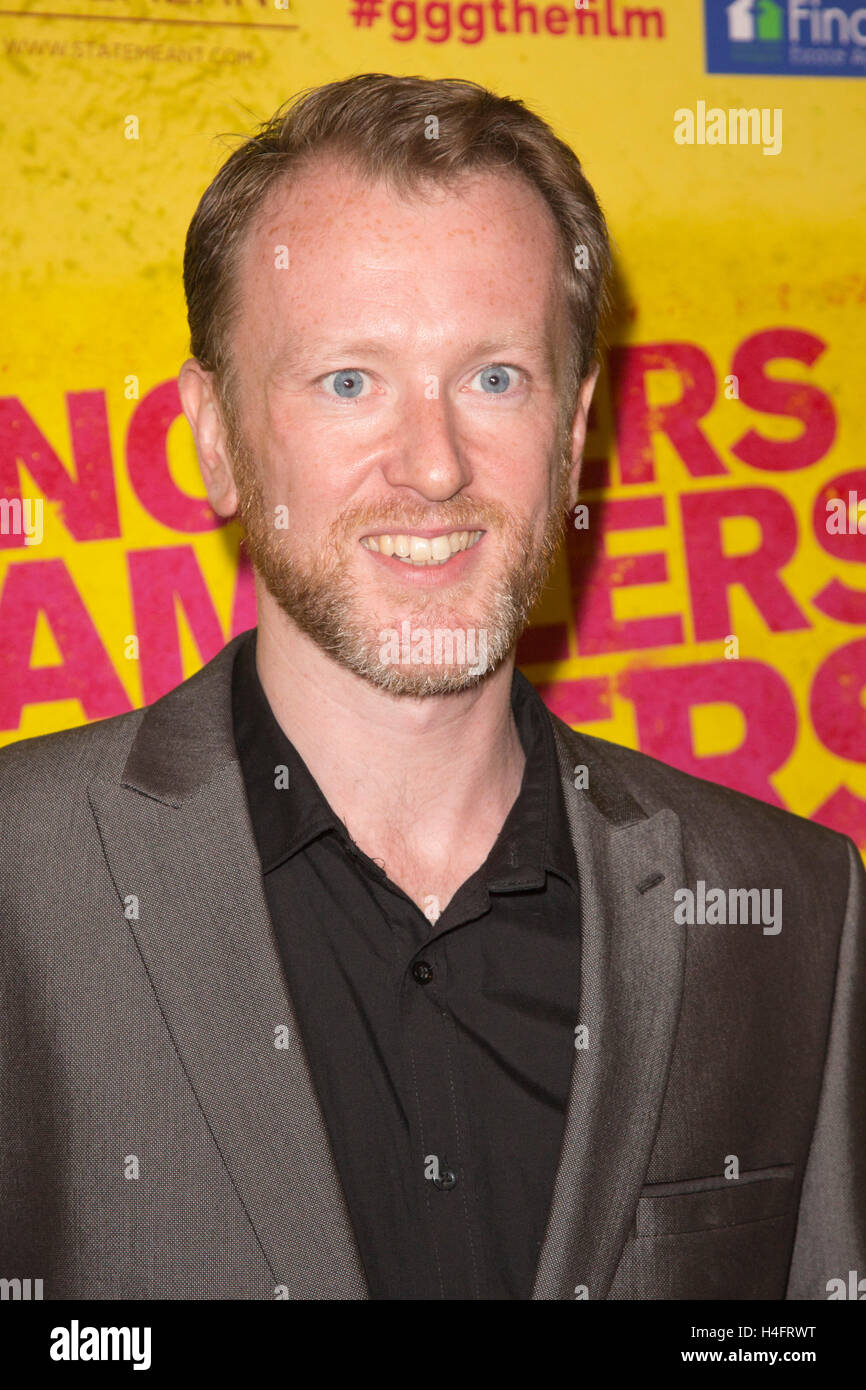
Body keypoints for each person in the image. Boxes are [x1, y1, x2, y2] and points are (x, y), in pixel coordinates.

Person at [0, 74, 862, 1301]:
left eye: (495, 378)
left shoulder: (786, 910)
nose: (433, 465)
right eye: (348, 380)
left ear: (572, 437)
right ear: (212, 438)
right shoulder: (19, 884)